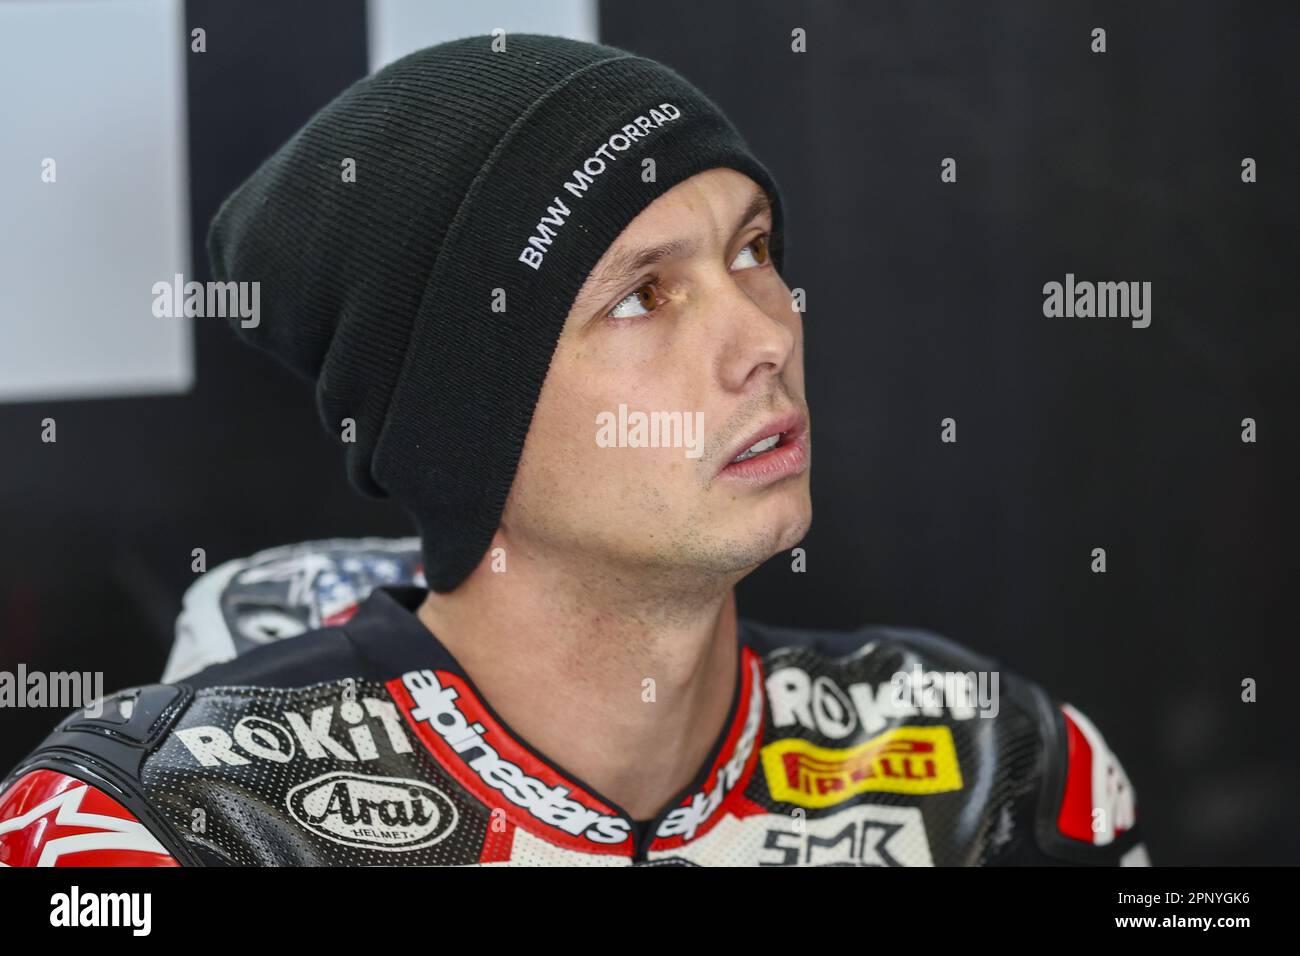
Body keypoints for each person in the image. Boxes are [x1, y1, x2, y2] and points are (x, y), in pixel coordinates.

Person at [0, 33, 1148, 866]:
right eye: (643, 297)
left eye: (751, 248)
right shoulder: (158, 828)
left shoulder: (996, 754)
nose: (762, 335)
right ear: (459, 426)